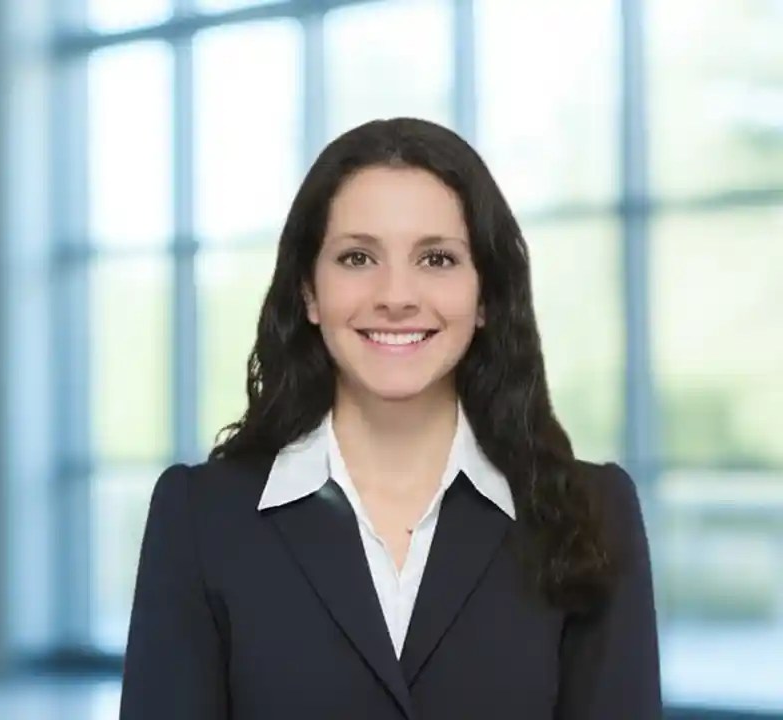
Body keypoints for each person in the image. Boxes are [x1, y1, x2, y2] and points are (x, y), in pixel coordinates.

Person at [118, 117, 661, 719]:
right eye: (357, 257)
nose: (397, 295)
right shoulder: (200, 519)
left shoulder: (595, 513)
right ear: (309, 293)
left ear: (484, 296)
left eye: (436, 258)